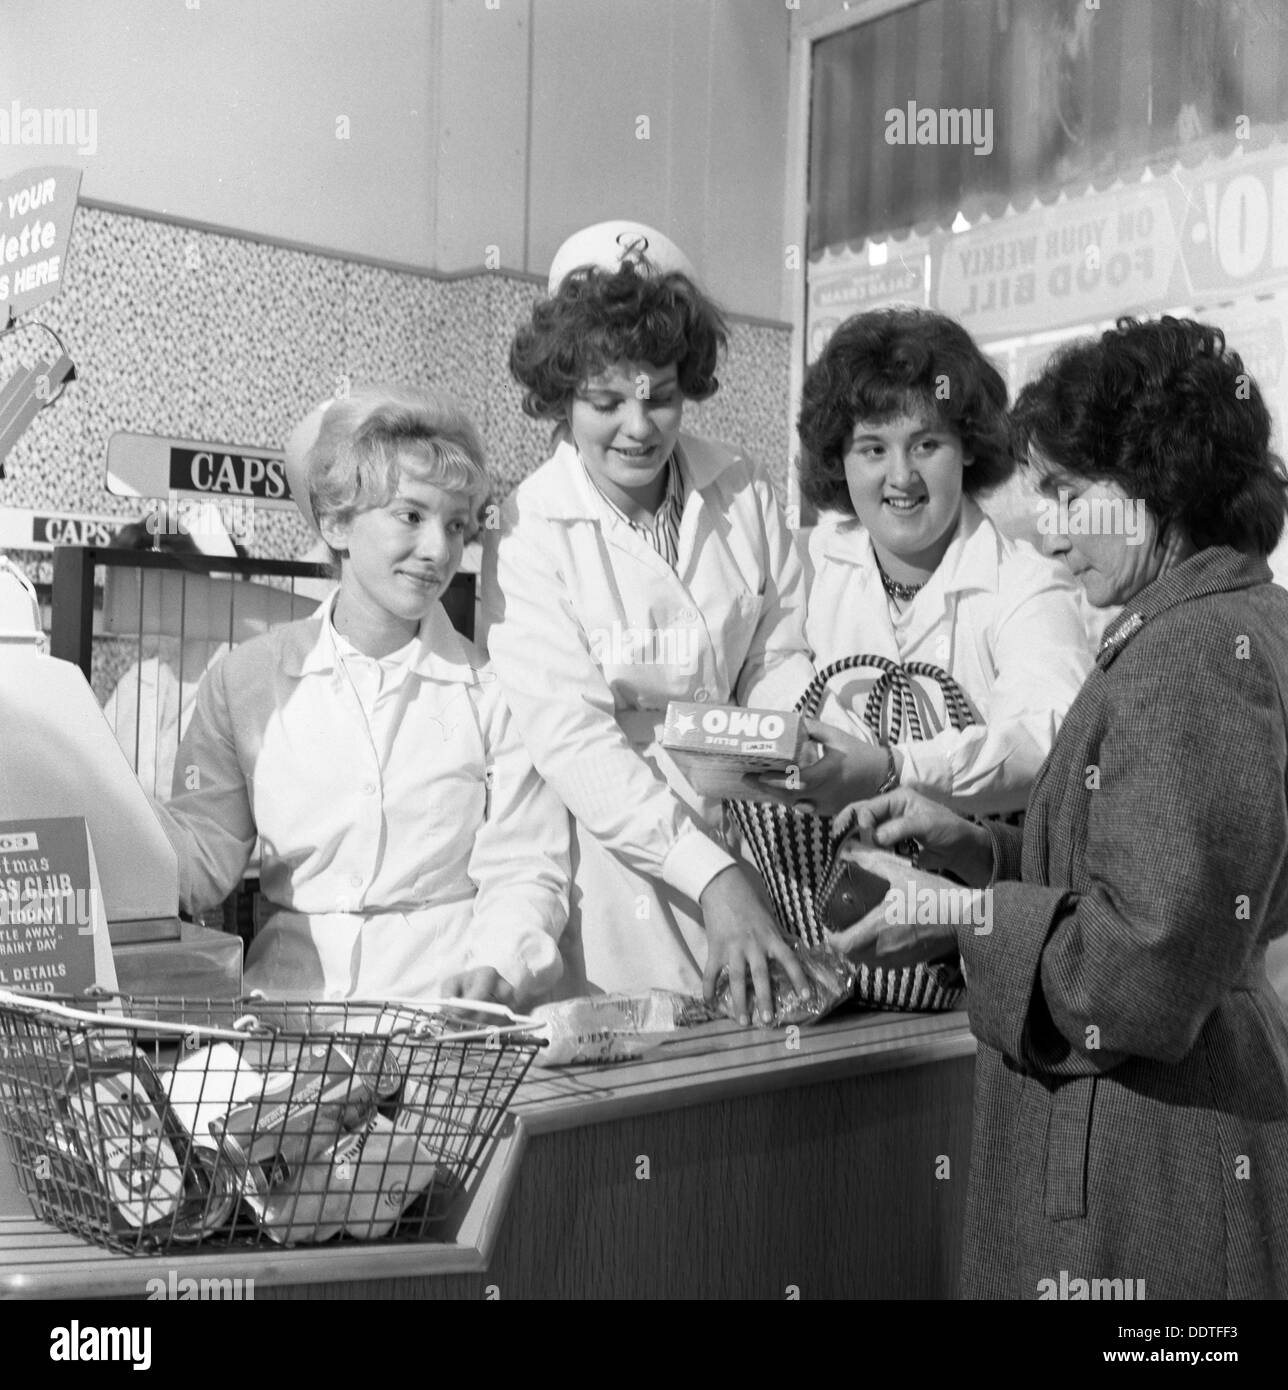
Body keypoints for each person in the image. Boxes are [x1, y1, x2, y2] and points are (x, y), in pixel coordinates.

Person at [846, 316, 1288, 1298]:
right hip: (1159, 1151)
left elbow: (1138, 966)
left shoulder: (1189, 658)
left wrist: (954, 917)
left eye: (1067, 494)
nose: (1048, 531)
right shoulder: (1216, 624)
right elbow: (1137, 878)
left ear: (1153, 487)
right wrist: (981, 851)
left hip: (1145, 1176)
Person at [481, 220, 811, 1023]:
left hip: (755, 824)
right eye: (605, 401)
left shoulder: (743, 487)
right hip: (617, 863)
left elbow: (783, 650)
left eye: (660, 396)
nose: (638, 427)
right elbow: (575, 739)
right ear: (561, 394)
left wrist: (763, 781)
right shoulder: (529, 528)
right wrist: (711, 873)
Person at [155, 386, 570, 1006]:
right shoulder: (244, 683)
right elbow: (204, 854)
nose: (438, 550)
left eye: (456, 525)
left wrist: (501, 959)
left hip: (441, 1029)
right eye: (411, 516)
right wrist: (105, 815)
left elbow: (525, 865)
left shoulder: (492, 691)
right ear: (337, 522)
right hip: (291, 1029)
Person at [764, 307, 1092, 820]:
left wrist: (892, 768)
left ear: (967, 447)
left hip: (974, 894)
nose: (902, 477)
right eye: (873, 449)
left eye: (926, 445)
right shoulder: (805, 566)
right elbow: (767, 682)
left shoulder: (1029, 586)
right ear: (839, 458)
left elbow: (1046, 740)